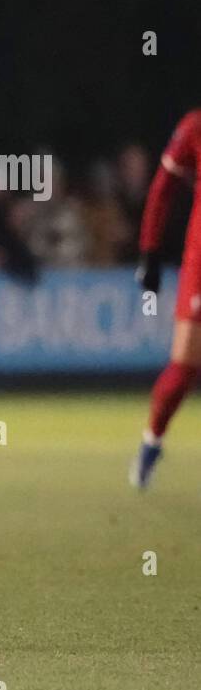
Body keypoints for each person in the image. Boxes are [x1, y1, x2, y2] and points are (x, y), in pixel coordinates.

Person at [132, 109, 201, 487]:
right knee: (184, 368)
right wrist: (150, 251)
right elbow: (162, 188)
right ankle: (152, 440)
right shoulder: (195, 127)